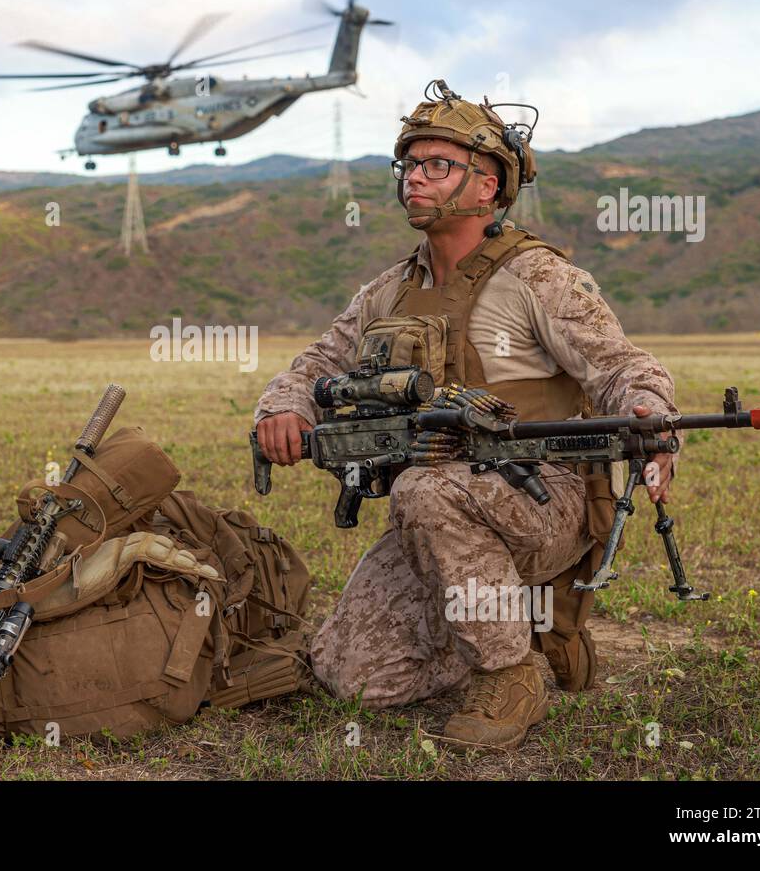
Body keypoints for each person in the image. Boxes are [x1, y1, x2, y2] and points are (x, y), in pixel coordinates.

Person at [253, 80, 679, 750]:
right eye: (409, 165)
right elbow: (312, 366)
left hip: (549, 496)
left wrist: (651, 414)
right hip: (440, 512)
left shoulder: (539, 278)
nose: (414, 179)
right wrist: (282, 406)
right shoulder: (388, 290)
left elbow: (623, 366)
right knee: (352, 676)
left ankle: (511, 675)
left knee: (427, 487)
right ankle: (522, 622)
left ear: (489, 186)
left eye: (436, 165)